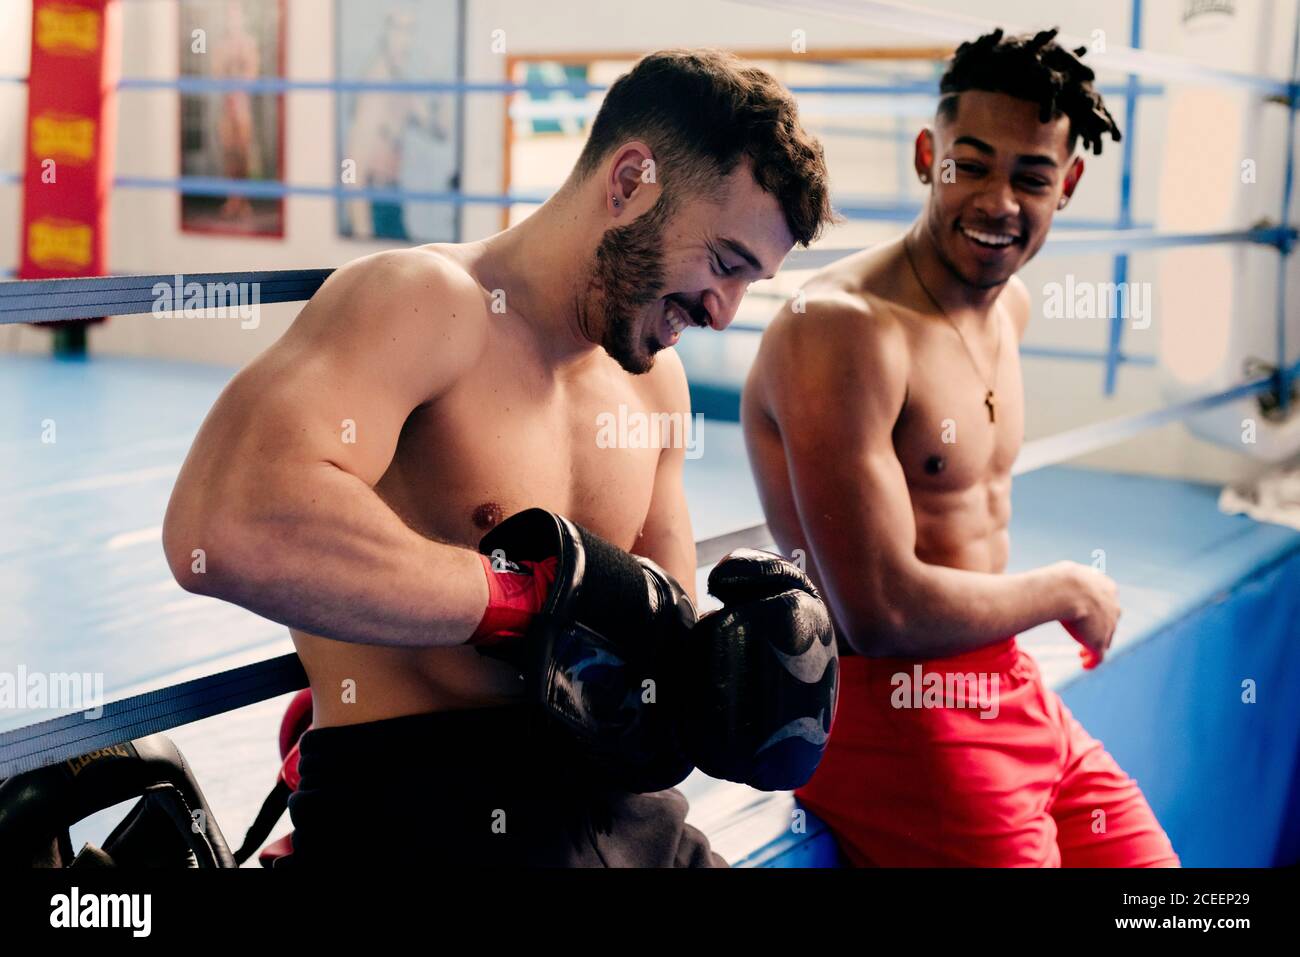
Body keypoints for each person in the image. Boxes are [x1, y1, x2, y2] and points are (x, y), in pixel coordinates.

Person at [164, 49, 838, 867]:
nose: (724, 312)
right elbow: (223, 526)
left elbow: (660, 650)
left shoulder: (655, 386)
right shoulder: (426, 303)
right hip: (424, 820)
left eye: (751, 282)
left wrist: (746, 680)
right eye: (724, 263)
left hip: (633, 827)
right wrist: (519, 601)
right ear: (630, 181)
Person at [742, 29, 1179, 867]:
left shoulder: (1006, 312)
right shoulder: (842, 329)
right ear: (926, 156)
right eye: (970, 165)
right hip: (891, 711)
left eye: (1031, 177)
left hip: (1014, 690)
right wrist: (1063, 586)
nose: (997, 202)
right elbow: (879, 611)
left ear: (1068, 185)